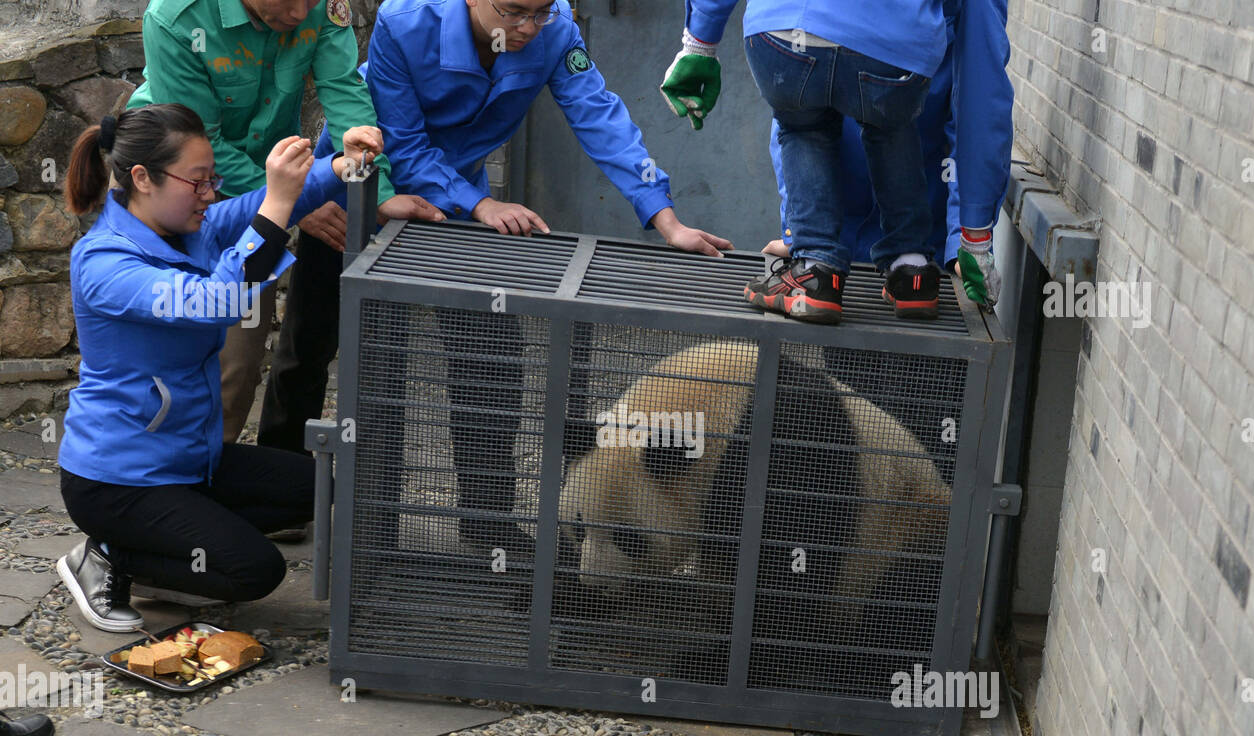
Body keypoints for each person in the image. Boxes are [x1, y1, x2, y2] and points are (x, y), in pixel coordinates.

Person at [257, 0, 733, 552]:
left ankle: (486, 520)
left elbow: (598, 113)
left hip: (458, 204)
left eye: (541, 12)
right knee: (311, 340)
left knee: (489, 354)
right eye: (514, 12)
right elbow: (402, 140)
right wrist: (480, 204)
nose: (528, 27)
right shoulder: (404, 21)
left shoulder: (555, 30)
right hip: (367, 186)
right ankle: (280, 498)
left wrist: (664, 217)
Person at [55, 103, 380, 632]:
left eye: (213, 180)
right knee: (255, 570)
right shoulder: (104, 264)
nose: (210, 194)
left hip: (188, 461)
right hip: (117, 482)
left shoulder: (187, 228)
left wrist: (342, 167)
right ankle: (112, 554)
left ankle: (178, 540)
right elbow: (217, 302)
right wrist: (276, 201)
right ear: (142, 178)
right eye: (198, 181)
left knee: (318, 484)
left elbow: (264, 206)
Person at [128, 0, 442, 449]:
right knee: (190, 351)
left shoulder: (323, 8)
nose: (299, 14)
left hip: (272, 188)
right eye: (286, 1)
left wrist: (379, 192)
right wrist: (292, 200)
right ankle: (156, 484)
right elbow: (201, 141)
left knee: (241, 356)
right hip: (177, 188)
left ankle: (218, 485)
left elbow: (344, 92)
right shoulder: (177, 17)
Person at [662, 0, 947, 322]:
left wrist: (700, 43)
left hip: (790, 31)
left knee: (804, 129)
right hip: (897, 42)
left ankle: (815, 270)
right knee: (893, 133)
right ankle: (913, 272)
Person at [759, 0, 1012, 309]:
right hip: (838, 231)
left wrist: (966, 234)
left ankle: (896, 263)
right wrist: (799, 231)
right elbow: (795, 109)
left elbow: (978, 100)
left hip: (925, 237)